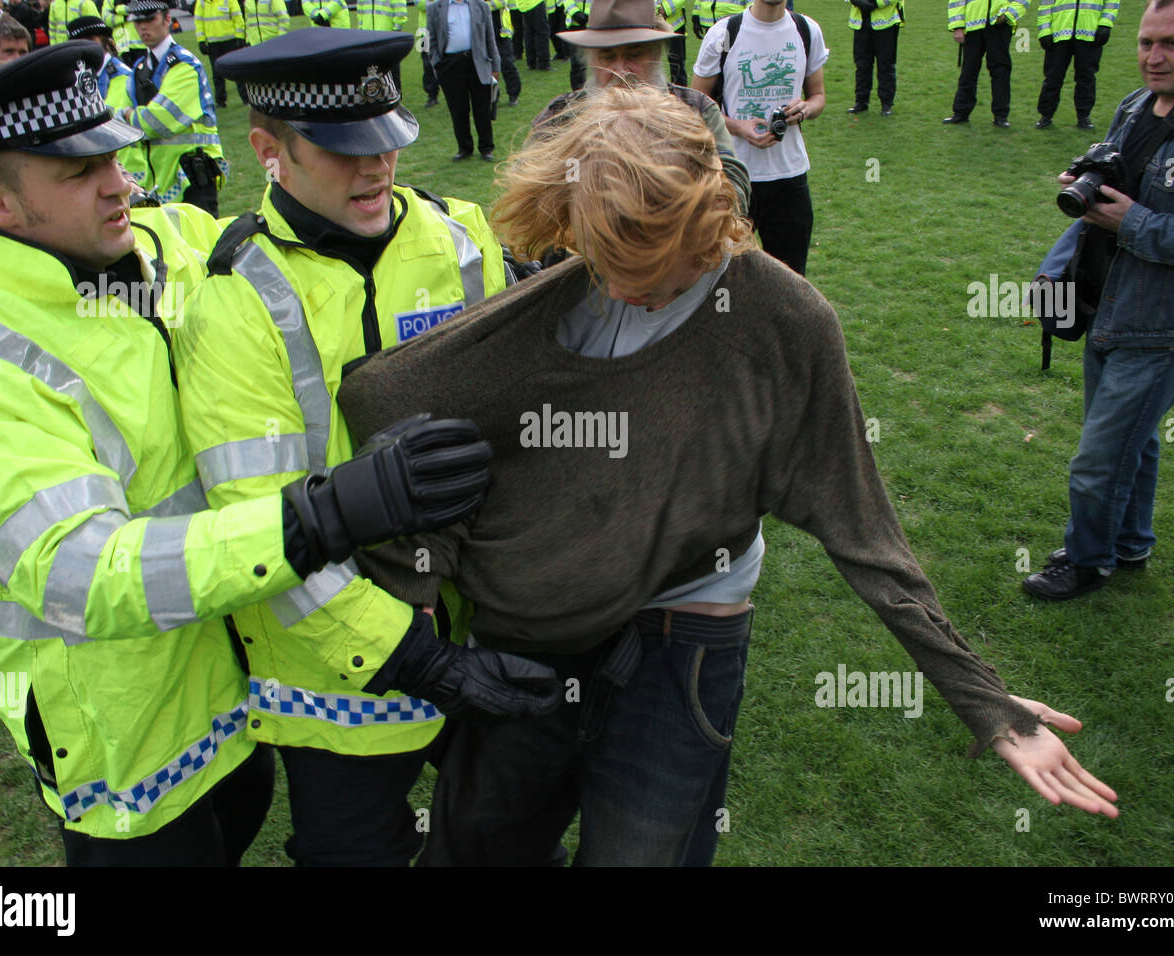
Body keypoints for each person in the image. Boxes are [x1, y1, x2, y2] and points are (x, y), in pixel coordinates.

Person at [337, 84, 1120, 866]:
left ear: (715, 219)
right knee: (475, 851)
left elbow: (865, 532)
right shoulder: (556, 300)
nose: (621, 292)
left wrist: (987, 705)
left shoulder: (783, 322)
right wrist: (426, 614)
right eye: (601, 262)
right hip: (530, 638)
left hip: (688, 629)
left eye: (657, 275)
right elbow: (381, 400)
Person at [0, 40, 492, 864]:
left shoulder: (157, 242)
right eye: (79, 174)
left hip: (234, 689)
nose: (120, 184)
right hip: (128, 733)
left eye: (115, 156)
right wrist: (322, 514)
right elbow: (81, 570)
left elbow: (282, 252)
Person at [174, 30, 544, 867]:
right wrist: (424, 661)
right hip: (331, 680)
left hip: (484, 630)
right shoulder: (233, 304)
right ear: (268, 150)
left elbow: (519, 430)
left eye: (388, 139)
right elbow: (262, 535)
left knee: (509, 846)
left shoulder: (459, 236)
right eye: (344, 150)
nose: (376, 166)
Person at [1023, 0, 1174, 600]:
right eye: (1145, 43)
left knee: (1098, 459)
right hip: (1108, 305)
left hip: (1168, 322)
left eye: (1172, 43)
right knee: (1133, 437)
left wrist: (1131, 221)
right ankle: (1129, 541)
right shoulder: (1135, 105)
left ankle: (1086, 561)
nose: (1153, 58)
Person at [536, 0, 750, 215]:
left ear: (656, 55)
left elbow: (732, 185)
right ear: (591, 60)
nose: (620, 70)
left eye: (633, 55)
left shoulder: (697, 110)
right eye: (607, 57)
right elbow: (532, 191)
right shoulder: (560, 118)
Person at [693, 0, 826, 275]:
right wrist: (737, 126)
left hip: (789, 178)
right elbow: (696, 103)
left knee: (791, 281)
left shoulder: (806, 29)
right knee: (727, 279)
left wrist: (805, 109)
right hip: (733, 178)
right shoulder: (725, 32)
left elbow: (819, 96)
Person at [118, 0, 226, 215]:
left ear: (167, 19)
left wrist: (129, 114)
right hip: (161, 178)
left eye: (150, 19)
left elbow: (156, 123)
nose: (142, 27)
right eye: (137, 22)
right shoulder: (140, 67)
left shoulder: (183, 65)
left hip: (192, 175)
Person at [69, 15, 145, 181]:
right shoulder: (82, 78)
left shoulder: (121, 76)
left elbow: (108, 121)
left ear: (104, 41)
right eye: (78, 42)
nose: (85, 47)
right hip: (104, 168)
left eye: (90, 40)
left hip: (131, 170)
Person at [427, 0, 501, 161]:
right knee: (458, 110)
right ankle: (464, 148)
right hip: (449, 65)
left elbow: (490, 37)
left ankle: (486, 148)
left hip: (477, 63)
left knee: (482, 108)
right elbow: (430, 39)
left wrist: (496, 65)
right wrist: (437, 64)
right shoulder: (434, 8)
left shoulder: (481, 6)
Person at [1034, 0, 1120, 129]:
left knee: (1086, 78)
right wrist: (1044, 31)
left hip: (1090, 33)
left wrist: (1105, 24)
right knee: (1053, 78)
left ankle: (1083, 117)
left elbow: (1112, 3)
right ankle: (1046, 115)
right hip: (1059, 33)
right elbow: (1045, 5)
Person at [945, 0, 1029, 127]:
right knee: (968, 71)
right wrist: (958, 26)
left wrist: (1007, 15)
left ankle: (1001, 116)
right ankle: (961, 112)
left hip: (1000, 26)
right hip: (973, 25)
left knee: (1001, 72)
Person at [846, 0, 903, 115]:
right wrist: (858, 2)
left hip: (885, 22)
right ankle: (861, 102)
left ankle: (886, 104)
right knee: (862, 65)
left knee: (885, 65)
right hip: (862, 21)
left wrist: (874, 3)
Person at [194, 0, 244, 109]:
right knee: (217, 74)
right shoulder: (201, 2)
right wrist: (201, 41)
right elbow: (198, 22)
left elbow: (237, 17)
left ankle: (246, 99)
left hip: (230, 40)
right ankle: (220, 102)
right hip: (213, 43)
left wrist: (240, 36)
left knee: (236, 71)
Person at [515, 0, 549, 70]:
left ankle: (531, 63)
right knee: (542, 34)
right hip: (535, 3)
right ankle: (543, 63)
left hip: (523, 5)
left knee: (529, 35)